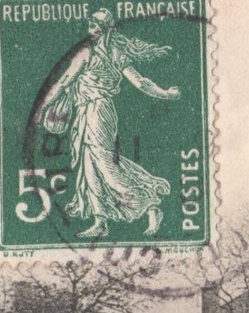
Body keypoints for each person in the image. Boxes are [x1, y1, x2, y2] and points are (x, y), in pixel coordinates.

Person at [37, 10, 179, 238]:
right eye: (90, 23)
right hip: (87, 111)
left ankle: (149, 204)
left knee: (104, 164)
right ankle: (100, 220)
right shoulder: (105, 52)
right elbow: (140, 82)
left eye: (94, 24)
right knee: (89, 164)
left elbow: (64, 82)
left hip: (98, 111)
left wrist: (166, 94)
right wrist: (166, 94)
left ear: (105, 27)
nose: (90, 28)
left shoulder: (92, 53)